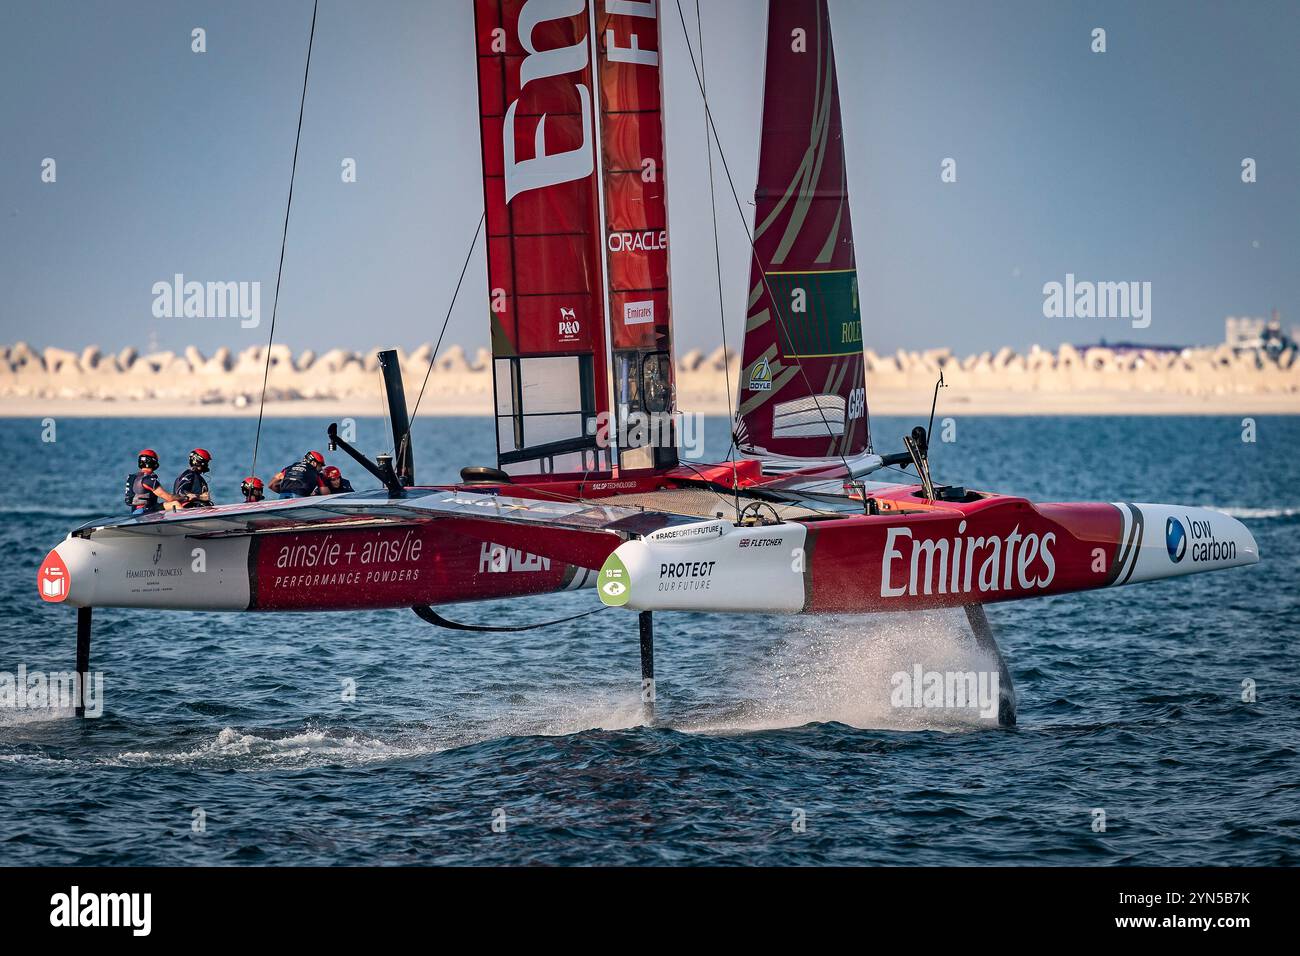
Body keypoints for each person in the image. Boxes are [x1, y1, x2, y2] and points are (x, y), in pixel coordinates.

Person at [124, 449, 179, 515]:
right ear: (153, 462)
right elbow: (169, 498)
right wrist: (185, 497)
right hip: (146, 512)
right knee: (175, 504)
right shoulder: (148, 479)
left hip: (135, 511)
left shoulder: (132, 477)